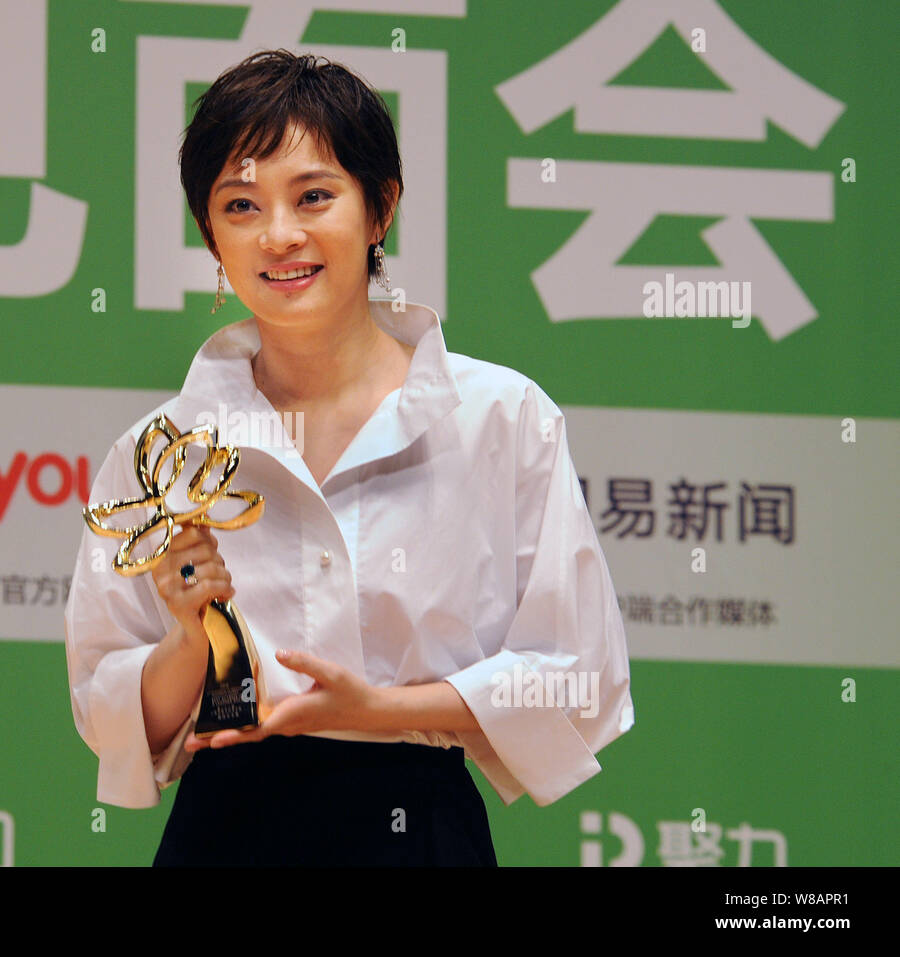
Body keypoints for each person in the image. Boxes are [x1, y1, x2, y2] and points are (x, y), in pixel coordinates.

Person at [64, 49, 634, 866]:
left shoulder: (500, 418)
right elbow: (112, 717)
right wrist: (191, 641)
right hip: (225, 833)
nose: (280, 234)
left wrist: (382, 710)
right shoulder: (162, 453)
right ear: (210, 235)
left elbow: (581, 676)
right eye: (241, 204)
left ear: (381, 208)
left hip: (420, 829)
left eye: (314, 196)